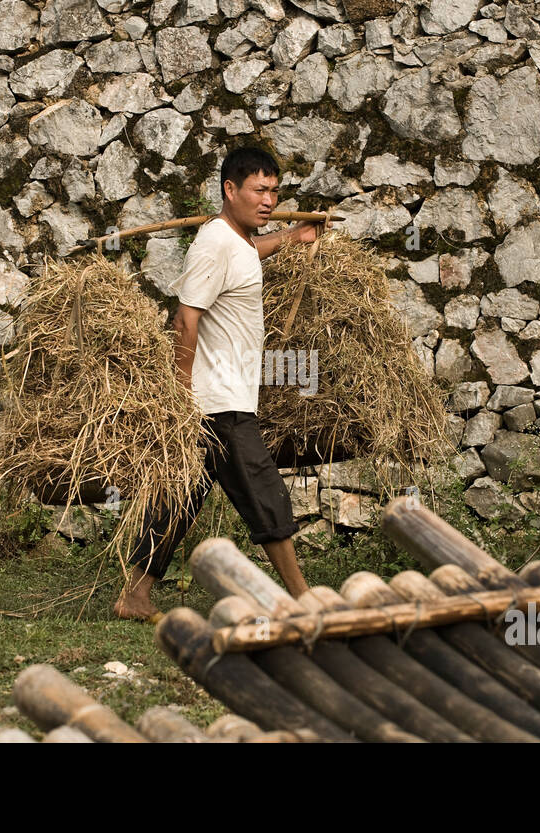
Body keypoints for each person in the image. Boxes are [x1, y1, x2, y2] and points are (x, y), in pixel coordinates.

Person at [113, 146, 318, 622]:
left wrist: (291, 235)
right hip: (215, 400)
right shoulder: (212, 244)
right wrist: (181, 396)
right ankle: (302, 598)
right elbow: (186, 319)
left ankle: (135, 596)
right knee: (265, 493)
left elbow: (246, 257)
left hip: (222, 396)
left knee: (179, 501)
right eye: (258, 190)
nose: (268, 200)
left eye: (273, 191)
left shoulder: (237, 242)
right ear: (230, 189)